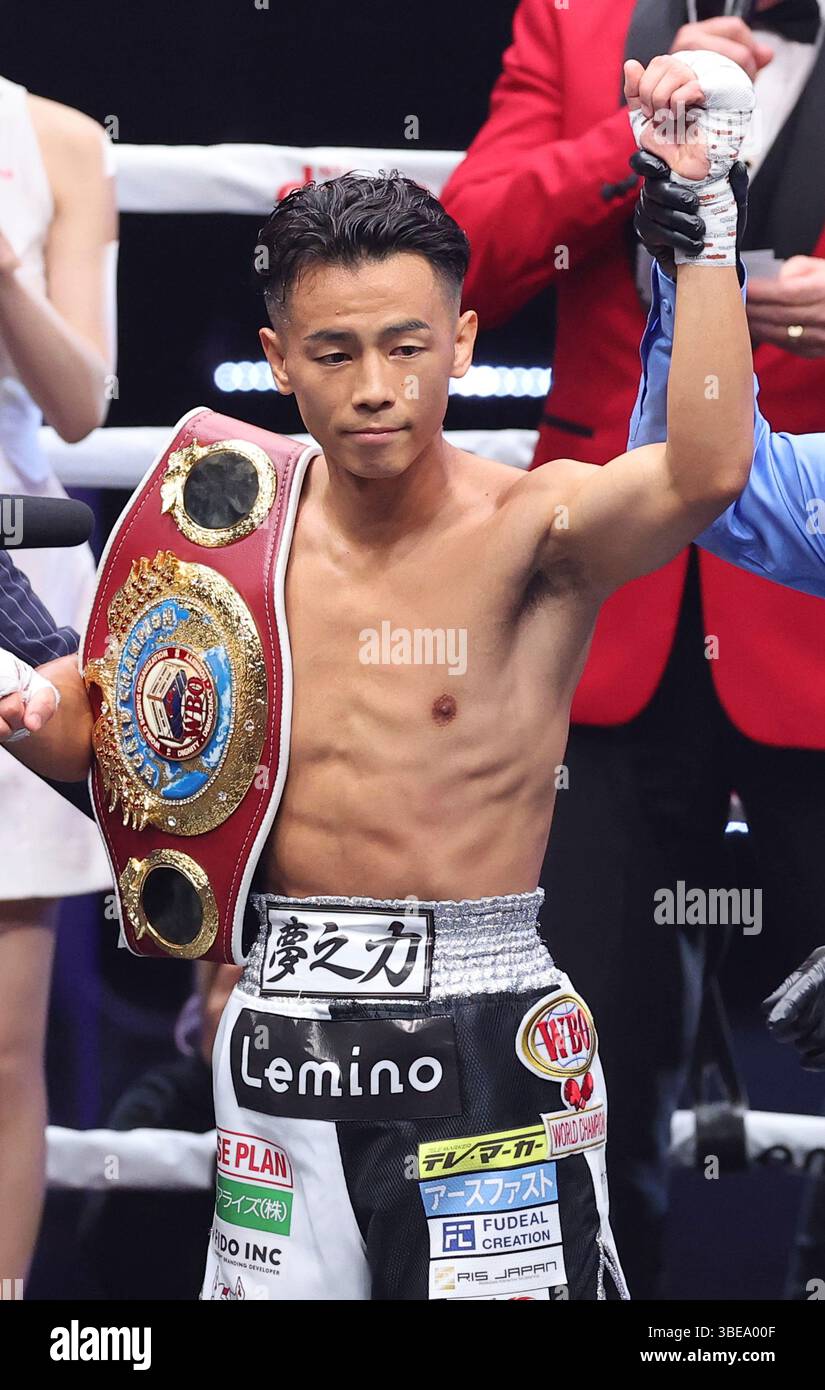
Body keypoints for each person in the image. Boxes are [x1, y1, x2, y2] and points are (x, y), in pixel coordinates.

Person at [0, 52, 755, 1300]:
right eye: (335, 353)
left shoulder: (536, 533)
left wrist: (710, 229)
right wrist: (34, 719)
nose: (375, 389)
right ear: (278, 358)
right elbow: (132, 735)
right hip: (280, 1016)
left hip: (485, 1022)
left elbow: (704, 473)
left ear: (462, 339)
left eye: (407, 346)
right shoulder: (221, 526)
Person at [439, 0, 825, 1296]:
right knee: (569, 1061)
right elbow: (469, 256)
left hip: (810, 604)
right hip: (600, 626)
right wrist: (642, 130)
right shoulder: (573, 18)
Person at [0, 74, 117, 1289]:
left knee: (0, 1038)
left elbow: (86, 404)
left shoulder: (61, 144)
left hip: (18, 569)